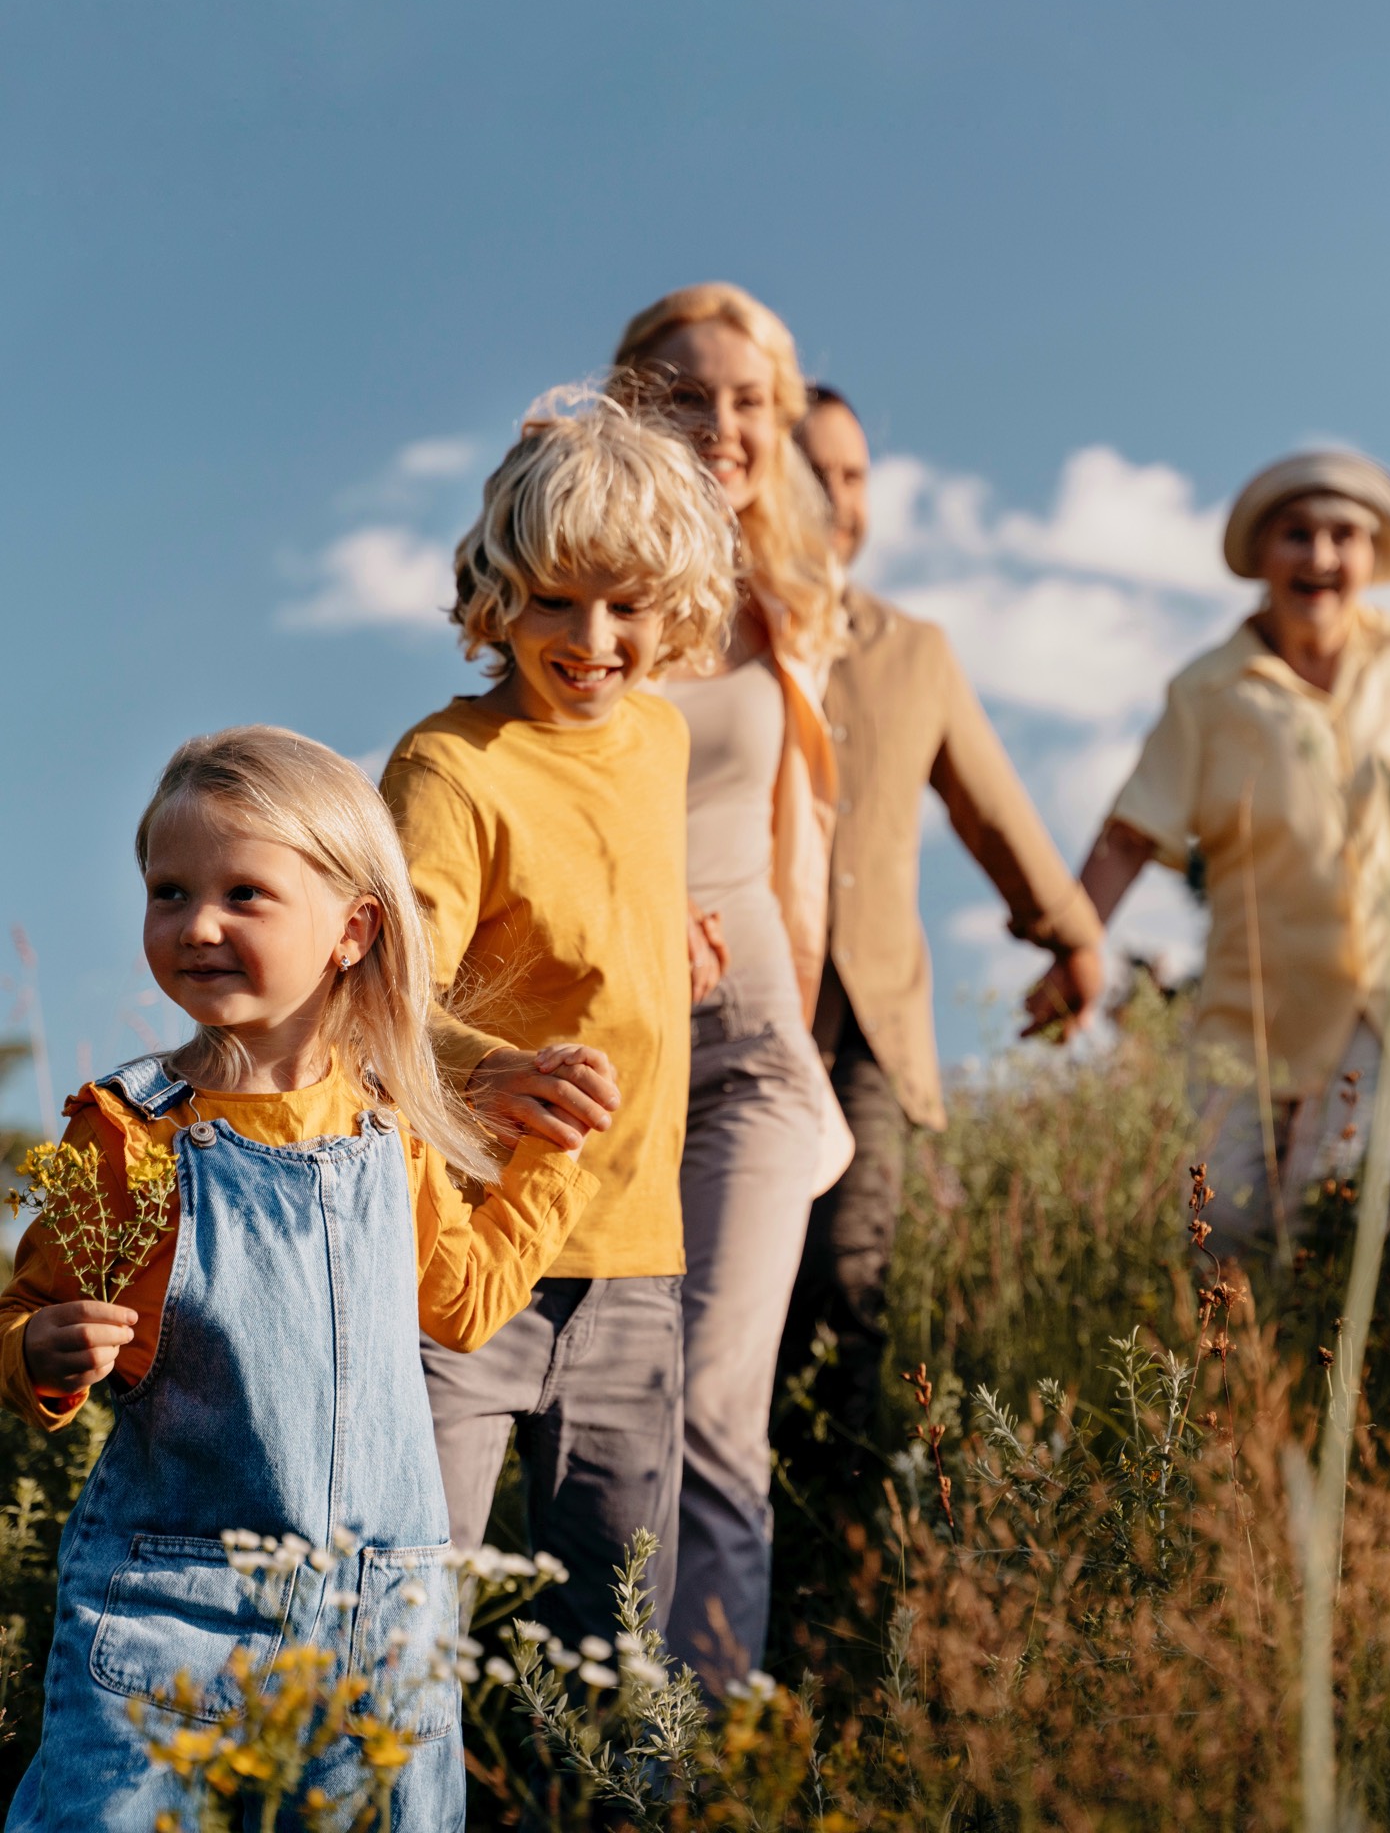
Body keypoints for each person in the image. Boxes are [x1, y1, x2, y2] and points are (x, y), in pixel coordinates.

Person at [0, 727, 602, 1832]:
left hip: (386, 1631)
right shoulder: (129, 1138)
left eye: (244, 892)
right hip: (179, 1617)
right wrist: (34, 1350)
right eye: (168, 891)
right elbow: (24, 1309)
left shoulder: (390, 1131)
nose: (198, 924)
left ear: (352, 929)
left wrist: (553, 1164)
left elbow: (462, 1305)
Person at [382, 389, 737, 1643]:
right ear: (496, 593)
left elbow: (595, 871)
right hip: (469, 1259)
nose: (592, 638)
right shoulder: (449, 767)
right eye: (553, 599)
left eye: (628, 605)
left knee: (614, 1639)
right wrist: (488, 1068)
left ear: (674, 608)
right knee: (411, 1608)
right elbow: (377, 992)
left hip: (635, 1257)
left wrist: (671, 923)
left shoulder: (658, 739)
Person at [1072, 449, 1390, 1269]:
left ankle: (1332, 1383)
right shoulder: (1209, 692)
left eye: (1342, 537)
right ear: (1260, 556)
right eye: (1295, 536)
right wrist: (1074, 946)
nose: (1320, 557)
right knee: (1222, 1227)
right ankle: (1235, 1389)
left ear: (1371, 556)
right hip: (1254, 1006)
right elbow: (1132, 831)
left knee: (1332, 1218)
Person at [778, 383, 1105, 1479]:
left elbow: (992, 804)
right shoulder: (695, 631)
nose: (834, 496)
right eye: (809, 468)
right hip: (724, 1016)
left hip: (865, 1025)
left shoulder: (910, 650)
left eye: (853, 474)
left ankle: (829, 1595)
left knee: (847, 1291)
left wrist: (1070, 934)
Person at [610, 284, 853, 1688]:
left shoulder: (790, 605)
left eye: (751, 399)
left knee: (711, 1400)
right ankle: (594, 1718)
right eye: (685, 395)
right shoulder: (578, 582)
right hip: (602, 1057)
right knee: (604, 1409)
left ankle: (697, 1746)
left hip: (753, 1052)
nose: (724, 425)